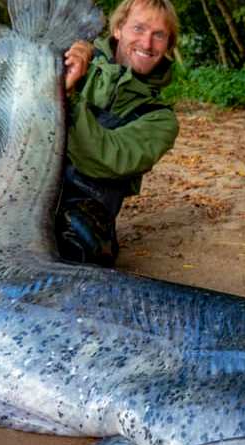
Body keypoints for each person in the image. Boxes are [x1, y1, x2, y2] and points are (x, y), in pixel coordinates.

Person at [58, 0, 180, 266]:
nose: (147, 43)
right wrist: (54, 76)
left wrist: (67, 96)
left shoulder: (160, 120)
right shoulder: (69, 59)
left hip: (83, 212)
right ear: (118, 29)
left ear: (168, 45)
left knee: (80, 250)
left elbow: (108, 157)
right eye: (138, 28)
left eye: (159, 35)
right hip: (18, 182)